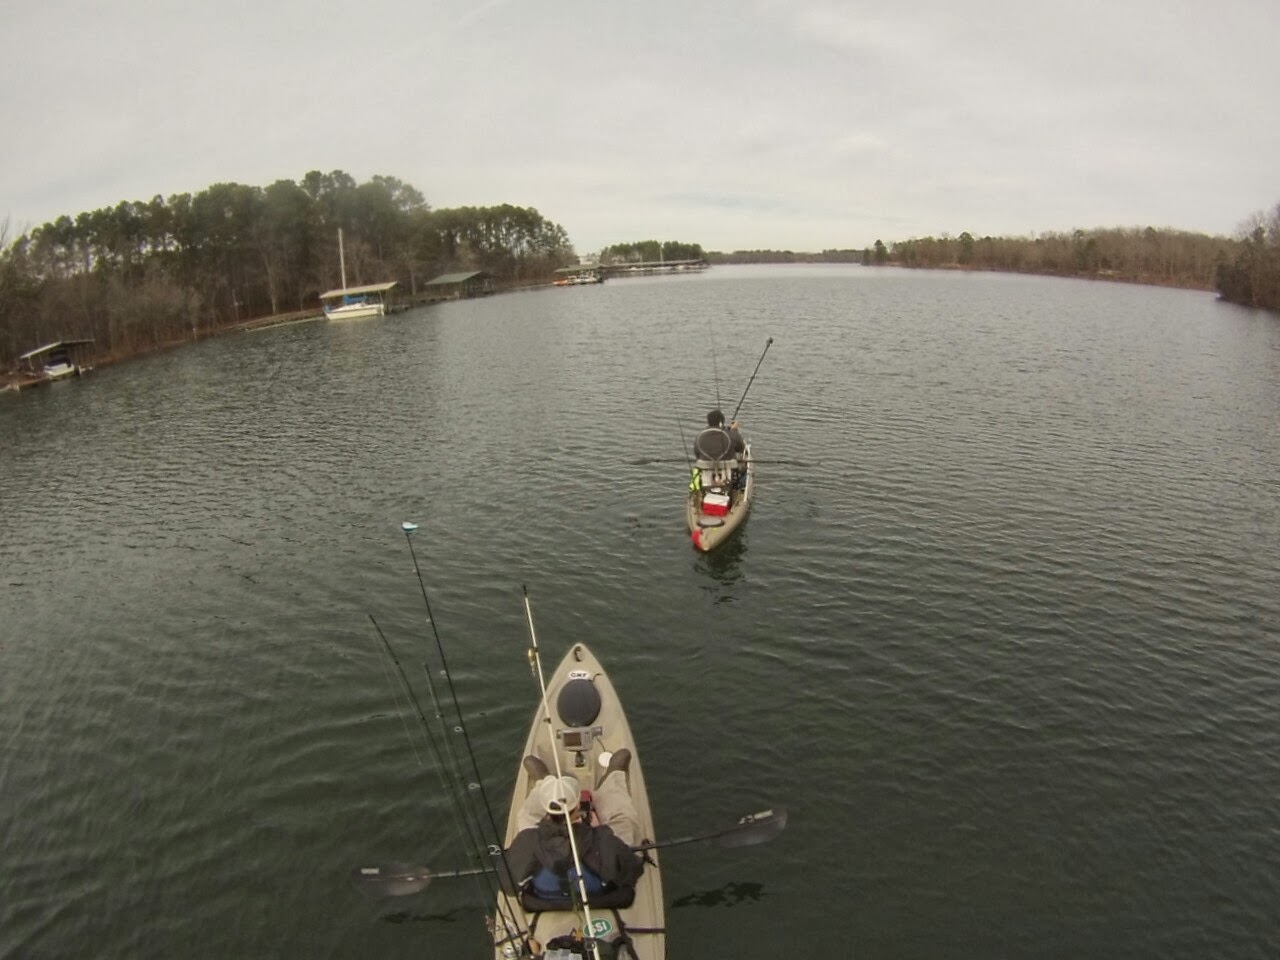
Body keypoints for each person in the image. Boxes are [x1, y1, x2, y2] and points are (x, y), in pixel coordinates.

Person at [500, 752, 644, 899]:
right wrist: (598, 830)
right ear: (578, 806)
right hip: (597, 896)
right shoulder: (603, 839)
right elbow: (633, 871)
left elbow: (509, 889)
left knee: (526, 816)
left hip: (544, 900)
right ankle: (611, 780)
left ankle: (544, 783)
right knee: (623, 818)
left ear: (546, 809)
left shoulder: (527, 839)